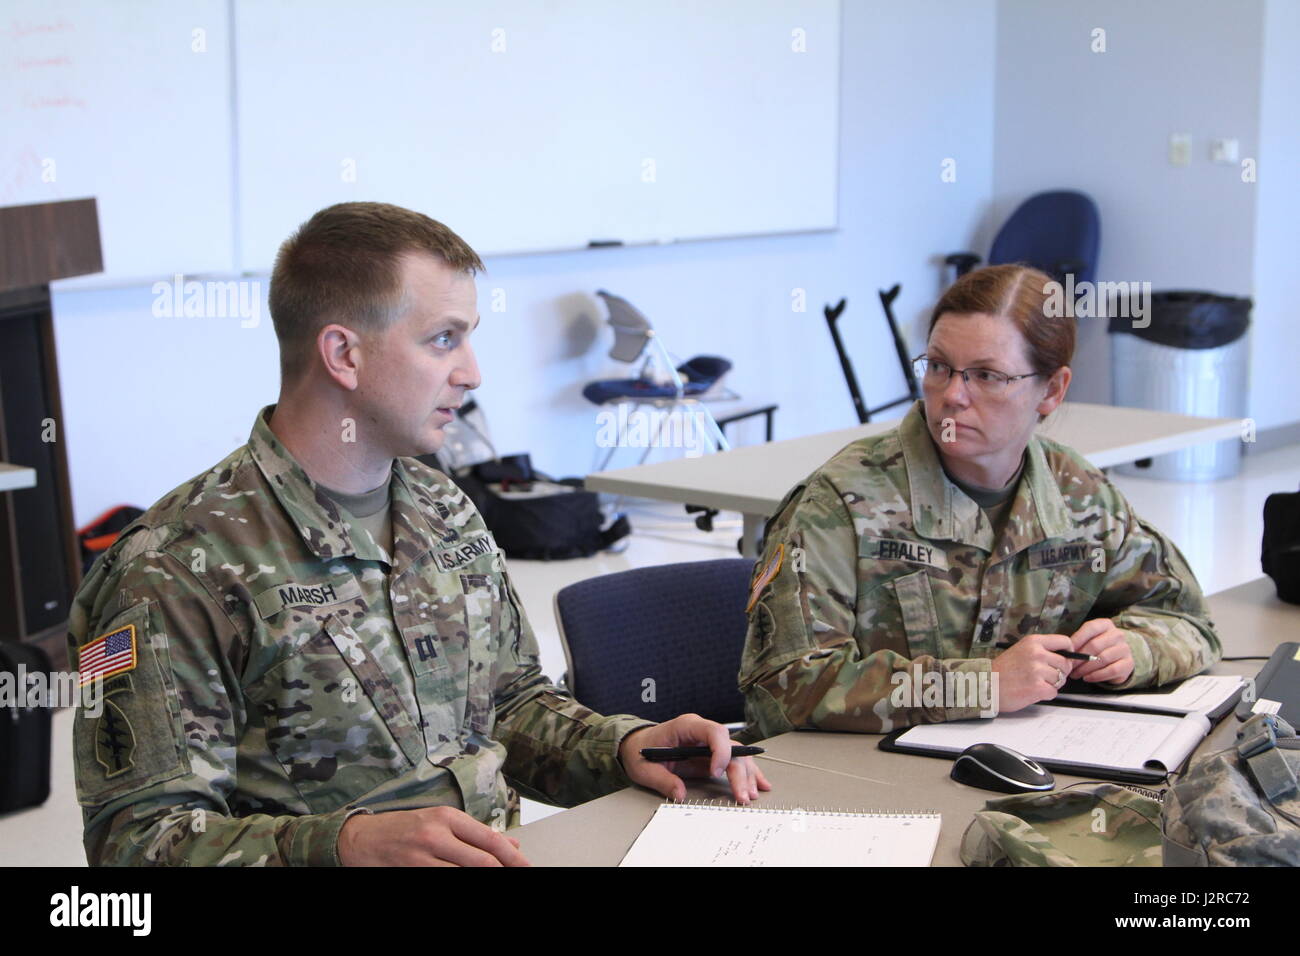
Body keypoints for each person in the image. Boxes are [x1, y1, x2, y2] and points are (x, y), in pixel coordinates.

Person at [68, 201, 769, 867]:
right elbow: (136, 843)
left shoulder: (444, 508)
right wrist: (343, 848)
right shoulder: (170, 567)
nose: (472, 374)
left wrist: (624, 747)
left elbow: (510, 706)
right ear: (344, 355)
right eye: (443, 340)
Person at [739, 264, 1221, 739]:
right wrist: (980, 685)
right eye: (939, 367)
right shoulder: (842, 502)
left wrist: (1137, 649)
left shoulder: (1079, 495)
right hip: (875, 786)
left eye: (987, 376)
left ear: (1051, 390)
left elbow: (1189, 620)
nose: (952, 395)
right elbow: (785, 688)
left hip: (1033, 764)